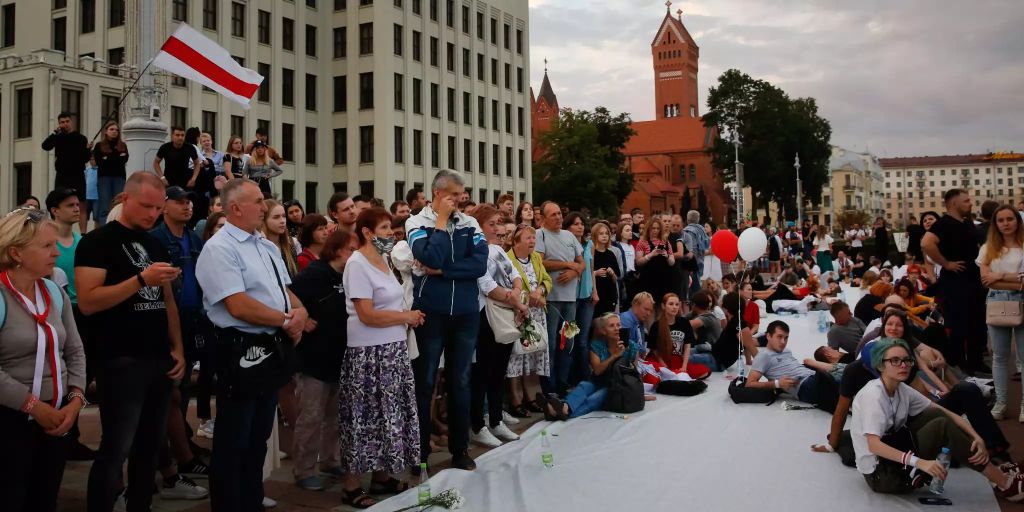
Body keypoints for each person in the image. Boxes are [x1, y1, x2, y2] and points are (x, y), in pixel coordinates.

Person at [195, 178, 310, 511]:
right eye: (258, 201)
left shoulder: (266, 246)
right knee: (235, 438)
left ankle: (251, 499)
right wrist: (287, 320)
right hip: (240, 348)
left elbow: (283, 290)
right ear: (235, 208)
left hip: (271, 345)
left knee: (259, 435)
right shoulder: (220, 248)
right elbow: (238, 305)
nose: (265, 206)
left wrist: (300, 311)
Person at [78, 172, 187, 512]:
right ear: (125, 199)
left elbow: (166, 300)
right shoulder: (98, 242)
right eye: (146, 206)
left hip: (157, 357)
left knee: (149, 447)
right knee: (115, 449)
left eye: (158, 208)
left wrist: (178, 348)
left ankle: (141, 505)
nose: (153, 214)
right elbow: (89, 300)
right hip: (120, 358)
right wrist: (141, 279)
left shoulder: (153, 243)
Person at [849, 339, 1024, 499]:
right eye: (895, 361)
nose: (903, 365)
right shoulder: (873, 395)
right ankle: (1002, 482)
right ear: (881, 365)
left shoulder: (901, 389)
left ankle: (996, 471)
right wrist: (921, 463)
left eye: (907, 360)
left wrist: (977, 437)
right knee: (941, 426)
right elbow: (874, 445)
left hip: (897, 449)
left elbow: (944, 411)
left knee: (938, 415)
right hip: (882, 474)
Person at [0, 208, 87, 512]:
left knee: (45, 498)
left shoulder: (53, 290)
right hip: (9, 418)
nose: (56, 253)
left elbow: (75, 350)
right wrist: (33, 407)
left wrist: (75, 401)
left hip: (57, 415)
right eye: (47, 246)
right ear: (16, 252)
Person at [338, 208, 423, 508]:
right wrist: (405, 316)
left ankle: (382, 476)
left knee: (390, 416)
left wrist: (406, 319)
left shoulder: (385, 261)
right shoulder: (357, 264)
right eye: (385, 227)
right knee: (364, 419)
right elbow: (366, 314)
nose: (390, 233)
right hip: (369, 354)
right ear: (366, 232)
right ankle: (351, 485)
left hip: (392, 349)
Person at [406, 169, 488, 471]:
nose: (460, 199)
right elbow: (430, 259)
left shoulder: (470, 223)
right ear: (438, 194)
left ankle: (460, 449)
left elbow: (480, 264)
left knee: (461, 381)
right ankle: (419, 452)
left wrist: (445, 271)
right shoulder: (416, 222)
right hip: (431, 312)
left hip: (465, 313)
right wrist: (440, 223)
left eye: (461, 194)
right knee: (424, 382)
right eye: (454, 195)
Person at [147, 186, 212, 496]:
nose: (187, 207)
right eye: (179, 202)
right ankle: (169, 458)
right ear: (164, 206)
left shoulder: (194, 239)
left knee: (183, 387)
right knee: (169, 389)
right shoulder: (157, 239)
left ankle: (181, 449)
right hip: (166, 322)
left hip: (193, 319)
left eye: (189, 201)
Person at [288, 229, 357, 491]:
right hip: (314, 357)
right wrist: (301, 317)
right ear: (338, 250)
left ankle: (331, 460)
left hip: (340, 356)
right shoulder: (315, 273)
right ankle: (303, 470)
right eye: (351, 249)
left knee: (335, 415)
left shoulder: (350, 275)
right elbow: (287, 293)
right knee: (311, 415)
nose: (355, 255)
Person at [469, 205, 527, 448]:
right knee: (482, 372)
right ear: (479, 226)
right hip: (485, 316)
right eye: (491, 224)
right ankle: (477, 425)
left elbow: (516, 274)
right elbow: (486, 284)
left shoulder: (499, 250)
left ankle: (495, 419)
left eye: (498, 223)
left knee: (499, 370)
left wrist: (516, 293)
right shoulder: (476, 250)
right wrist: (514, 299)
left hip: (505, 313)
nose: (497, 228)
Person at [921, 188, 987, 374]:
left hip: (974, 281)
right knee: (959, 324)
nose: (970, 203)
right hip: (956, 283)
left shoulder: (966, 223)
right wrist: (946, 263)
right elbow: (926, 243)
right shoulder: (943, 224)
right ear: (953, 204)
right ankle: (959, 364)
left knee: (976, 322)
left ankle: (976, 361)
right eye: (966, 201)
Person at [542, 313, 640, 420]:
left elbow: (635, 375)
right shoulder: (596, 345)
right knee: (584, 386)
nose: (616, 328)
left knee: (595, 398)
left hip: (615, 387)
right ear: (603, 330)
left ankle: (558, 413)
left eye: (618, 325)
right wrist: (614, 356)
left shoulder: (631, 347)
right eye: (611, 326)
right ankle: (564, 407)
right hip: (597, 381)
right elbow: (597, 371)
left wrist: (637, 393)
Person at [977, 205, 1024, 420]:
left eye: (1010, 219)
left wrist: (1000, 276)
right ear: (995, 224)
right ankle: (1001, 402)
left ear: (1017, 221)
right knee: (999, 356)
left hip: (1021, 302)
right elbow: (986, 281)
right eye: (1001, 220)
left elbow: (994, 278)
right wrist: (1017, 279)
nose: (1006, 223)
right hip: (996, 302)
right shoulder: (988, 248)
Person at [534, 201, 585, 397]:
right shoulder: (540, 235)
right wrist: (568, 264)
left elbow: (581, 263)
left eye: (559, 214)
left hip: (571, 299)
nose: (558, 217)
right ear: (544, 218)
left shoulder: (570, 235)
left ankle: (563, 384)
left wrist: (574, 272)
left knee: (568, 341)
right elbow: (540, 262)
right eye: (553, 214)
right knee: (552, 344)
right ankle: (550, 387)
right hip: (552, 299)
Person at [506, 224, 553, 418]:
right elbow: (507, 287)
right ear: (517, 241)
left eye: (534, 238)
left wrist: (540, 291)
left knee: (535, 354)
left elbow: (547, 280)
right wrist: (527, 297)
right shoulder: (508, 259)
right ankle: (516, 400)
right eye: (528, 238)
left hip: (538, 313)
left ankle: (532, 397)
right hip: (519, 314)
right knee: (518, 357)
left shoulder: (535, 258)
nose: (533, 242)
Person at [745, 320, 837, 412]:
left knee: (844, 376)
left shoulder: (786, 351)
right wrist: (777, 384)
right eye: (779, 337)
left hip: (813, 376)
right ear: (769, 336)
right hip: (804, 386)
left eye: (786, 338)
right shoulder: (763, 356)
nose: (783, 341)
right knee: (842, 383)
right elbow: (749, 384)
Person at [647, 294, 711, 379]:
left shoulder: (684, 322)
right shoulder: (656, 325)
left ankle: (674, 375)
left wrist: (684, 367)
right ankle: (672, 375)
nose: (674, 307)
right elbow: (654, 349)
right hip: (660, 360)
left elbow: (687, 346)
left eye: (677, 304)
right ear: (663, 306)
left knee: (705, 371)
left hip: (677, 360)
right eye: (671, 304)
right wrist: (663, 365)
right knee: (652, 370)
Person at [565, 212, 596, 385]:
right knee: (570, 338)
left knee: (583, 340)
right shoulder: (566, 244)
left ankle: (584, 377)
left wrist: (595, 290)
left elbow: (591, 269)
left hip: (586, 296)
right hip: (570, 297)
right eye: (576, 224)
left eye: (581, 224)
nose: (580, 226)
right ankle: (569, 376)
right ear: (568, 226)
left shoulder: (589, 244)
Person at [41, 112, 91, 206]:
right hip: (62, 176)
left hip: (77, 175)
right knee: (60, 202)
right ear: (59, 124)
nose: (65, 124)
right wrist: (54, 133)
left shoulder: (81, 138)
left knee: (81, 204)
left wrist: (88, 150)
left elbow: (85, 159)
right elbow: (45, 146)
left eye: (67, 121)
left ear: (71, 122)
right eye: (62, 122)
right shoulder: (58, 137)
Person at [91, 121, 129, 226]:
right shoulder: (99, 146)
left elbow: (124, 159)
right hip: (104, 178)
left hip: (119, 178)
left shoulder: (122, 145)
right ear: (106, 132)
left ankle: (119, 227)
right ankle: (105, 229)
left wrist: (108, 158)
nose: (114, 132)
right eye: (111, 129)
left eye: (116, 130)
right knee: (104, 206)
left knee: (119, 204)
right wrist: (115, 157)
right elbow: (100, 162)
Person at [635, 216, 675, 306]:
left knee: (663, 306)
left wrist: (667, 256)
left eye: (658, 228)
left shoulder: (666, 242)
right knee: (650, 306)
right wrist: (650, 255)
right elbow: (638, 262)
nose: (655, 231)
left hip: (664, 279)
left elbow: (672, 262)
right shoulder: (642, 242)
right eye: (653, 228)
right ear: (649, 228)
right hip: (649, 280)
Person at [261, 200, 301, 279]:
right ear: (264, 220)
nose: (282, 221)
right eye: (276, 217)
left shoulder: (289, 248)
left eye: (284, 216)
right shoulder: (260, 248)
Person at [592, 222, 621, 318]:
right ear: (595, 235)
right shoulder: (591, 253)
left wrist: (612, 273)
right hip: (596, 294)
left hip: (610, 294)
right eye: (601, 234)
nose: (604, 236)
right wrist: (596, 273)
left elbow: (616, 278)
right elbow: (585, 274)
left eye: (606, 233)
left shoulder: (611, 254)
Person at [681, 210, 710, 297]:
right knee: (697, 286)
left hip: (692, 263)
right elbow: (706, 245)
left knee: (692, 289)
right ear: (698, 219)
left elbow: (690, 249)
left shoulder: (687, 231)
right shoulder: (702, 230)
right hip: (700, 261)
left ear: (687, 219)